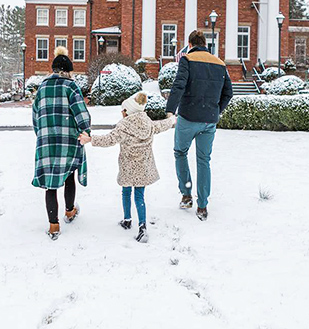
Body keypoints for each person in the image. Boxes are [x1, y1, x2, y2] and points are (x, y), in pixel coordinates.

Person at [79, 92, 175, 243]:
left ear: (127, 111)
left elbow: (109, 139)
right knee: (139, 196)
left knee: (126, 191)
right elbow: (162, 125)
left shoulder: (123, 126)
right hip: (143, 167)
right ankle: (142, 226)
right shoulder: (148, 123)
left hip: (127, 166)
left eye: (123, 110)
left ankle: (127, 219)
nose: (122, 113)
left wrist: (90, 139)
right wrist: (171, 120)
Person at [165, 30, 233, 221]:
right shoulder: (220, 64)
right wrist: (216, 110)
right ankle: (202, 205)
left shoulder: (187, 60)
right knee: (204, 160)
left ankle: (186, 195)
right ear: (205, 43)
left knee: (180, 152)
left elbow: (179, 85)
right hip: (209, 121)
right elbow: (228, 93)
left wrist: (170, 110)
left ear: (190, 43)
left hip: (188, 117)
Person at [32, 46, 91, 240]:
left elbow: (35, 116)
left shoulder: (42, 88)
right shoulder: (70, 86)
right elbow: (81, 114)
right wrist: (85, 130)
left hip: (47, 141)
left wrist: (42, 135)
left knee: (50, 184)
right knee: (68, 176)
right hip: (68, 140)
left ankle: (53, 225)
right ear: (67, 71)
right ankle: (69, 210)